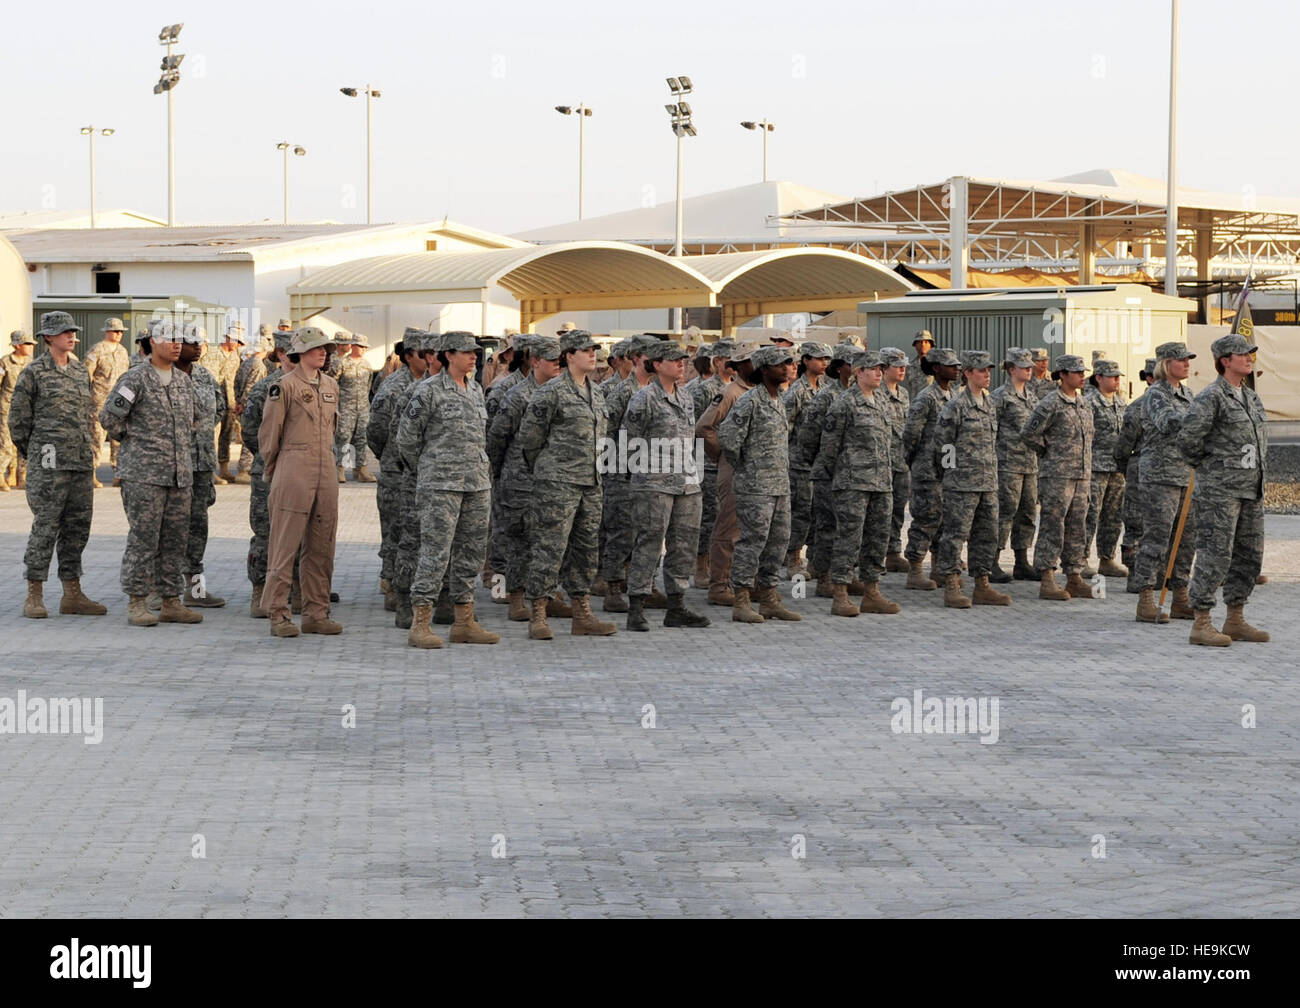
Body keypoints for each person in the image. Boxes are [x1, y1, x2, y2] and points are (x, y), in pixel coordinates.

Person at [398, 331, 498, 648]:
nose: (474, 357)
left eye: (475, 352)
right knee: (435, 554)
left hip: (476, 484)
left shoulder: (476, 390)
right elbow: (406, 439)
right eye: (466, 352)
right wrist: (430, 468)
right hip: (440, 485)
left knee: (470, 554)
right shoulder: (427, 391)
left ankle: (464, 622)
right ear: (447, 355)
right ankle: (421, 623)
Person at [516, 329, 617, 640]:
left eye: (594, 349)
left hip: (590, 482)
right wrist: (549, 470)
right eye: (585, 350)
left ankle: (582, 613)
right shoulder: (550, 393)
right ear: (568, 355)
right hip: (557, 484)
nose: (592, 354)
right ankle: (539, 614)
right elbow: (530, 440)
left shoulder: (597, 392)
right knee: (549, 549)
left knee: (587, 550)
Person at [100, 320, 201, 627]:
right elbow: (110, 418)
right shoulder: (135, 379)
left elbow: (193, 422)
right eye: (168, 339)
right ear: (151, 342)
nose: (176, 344)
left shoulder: (183, 381)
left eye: (178, 340)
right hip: (144, 476)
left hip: (179, 476)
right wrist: (137, 446)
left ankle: (171, 601)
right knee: (144, 539)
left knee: (175, 540)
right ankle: (137, 601)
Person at [8, 312, 104, 619]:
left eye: (73, 332)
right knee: (46, 527)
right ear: (48, 337)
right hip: (48, 463)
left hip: (78, 461)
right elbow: (18, 421)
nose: (71, 336)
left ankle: (72, 593)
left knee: (77, 528)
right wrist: (35, 453)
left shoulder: (79, 371)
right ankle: (34, 593)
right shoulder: (34, 372)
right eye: (65, 332)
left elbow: (87, 414)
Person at [1179, 333, 1269, 646]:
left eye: (1250, 353)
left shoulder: (1251, 396)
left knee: (1249, 556)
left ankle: (1235, 617)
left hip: (1250, 489)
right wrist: (1211, 467)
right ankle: (1201, 622)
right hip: (1220, 492)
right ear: (1224, 361)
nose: (1248, 358)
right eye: (1242, 354)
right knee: (1215, 555)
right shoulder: (1211, 397)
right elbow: (1188, 439)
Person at [259, 326, 342, 637]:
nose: (323, 352)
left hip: (325, 468)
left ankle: (316, 612)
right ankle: (279, 613)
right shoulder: (283, 387)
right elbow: (269, 435)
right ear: (299, 353)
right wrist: (274, 470)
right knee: (285, 544)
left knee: (322, 544)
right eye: (316, 348)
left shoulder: (331, 385)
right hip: (293, 465)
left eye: (326, 349)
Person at [622, 340, 709, 631]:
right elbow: (628, 442)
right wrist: (639, 479)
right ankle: (636, 606)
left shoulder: (685, 397)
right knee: (648, 544)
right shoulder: (643, 398)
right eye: (674, 360)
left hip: (685, 484)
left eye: (683, 360)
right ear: (657, 364)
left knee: (684, 544)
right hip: (653, 484)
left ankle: (676, 606)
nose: (681, 365)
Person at [717, 345, 801, 623]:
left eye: (789, 363)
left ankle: (769, 598)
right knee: (751, 543)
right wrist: (747, 466)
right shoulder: (750, 401)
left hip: (779, 486)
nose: (788, 368)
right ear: (764, 370)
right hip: (755, 487)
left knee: (778, 543)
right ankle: (741, 600)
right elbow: (728, 438)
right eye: (781, 364)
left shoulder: (780, 400)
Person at [815, 349, 900, 617]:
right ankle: (840, 592)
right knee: (848, 539)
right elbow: (829, 447)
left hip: (881, 483)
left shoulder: (882, 402)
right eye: (873, 368)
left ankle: (872, 592)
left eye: (880, 368)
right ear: (858, 372)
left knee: (877, 538)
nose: (879, 372)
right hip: (852, 484)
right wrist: (832, 479)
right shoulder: (844, 404)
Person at [487, 335, 565, 621]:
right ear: (535, 361)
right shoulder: (515, 394)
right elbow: (496, 437)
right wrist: (501, 472)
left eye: (561, 360)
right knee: (514, 541)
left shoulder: (563, 392)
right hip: (518, 479)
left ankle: (546, 594)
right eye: (552, 360)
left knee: (550, 540)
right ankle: (512, 595)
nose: (559, 365)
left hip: (553, 480)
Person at [934, 350, 1009, 608]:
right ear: (967, 373)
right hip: (962, 484)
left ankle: (982, 584)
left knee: (987, 535)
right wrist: (952, 475)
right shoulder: (956, 405)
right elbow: (943, 445)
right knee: (955, 535)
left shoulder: (989, 403)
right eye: (981, 370)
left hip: (988, 482)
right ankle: (952, 584)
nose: (987, 375)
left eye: (988, 370)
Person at [1132, 342, 1197, 623]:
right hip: (1160, 476)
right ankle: (1146, 597)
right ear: (1166, 364)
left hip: (1185, 475)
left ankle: (1181, 596)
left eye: (1188, 359)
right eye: (1181, 360)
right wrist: (1200, 419)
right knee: (1156, 539)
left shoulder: (1189, 394)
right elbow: (1168, 423)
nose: (1187, 364)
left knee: (1186, 540)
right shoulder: (1156, 395)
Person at [1020, 354, 1094, 601]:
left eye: (1083, 372)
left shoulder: (1083, 403)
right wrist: (1049, 452)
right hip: (1057, 476)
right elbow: (1029, 433)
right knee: (1053, 525)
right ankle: (1047, 577)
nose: (1082, 376)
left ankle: (1074, 576)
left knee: (1077, 527)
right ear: (1062, 374)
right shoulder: (1051, 402)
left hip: (1081, 475)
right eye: (1076, 372)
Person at [601, 334, 663, 612]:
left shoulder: (659, 390)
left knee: (648, 531)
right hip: (621, 472)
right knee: (621, 532)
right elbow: (606, 433)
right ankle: (613, 587)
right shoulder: (623, 393)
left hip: (650, 473)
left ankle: (643, 585)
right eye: (652, 357)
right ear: (637, 359)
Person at [368, 331, 427, 612]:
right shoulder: (393, 388)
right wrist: (390, 459)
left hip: (419, 473)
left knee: (415, 532)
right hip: (395, 473)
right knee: (394, 530)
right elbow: (375, 431)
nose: (428, 358)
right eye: (422, 353)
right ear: (408, 357)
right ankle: (390, 583)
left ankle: (411, 582)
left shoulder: (430, 385)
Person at [696, 340, 759, 606]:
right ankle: (719, 585)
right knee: (728, 527)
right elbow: (704, 427)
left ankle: (743, 581)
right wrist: (723, 454)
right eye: (752, 361)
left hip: (756, 471)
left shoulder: (761, 392)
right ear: (740, 366)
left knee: (752, 528)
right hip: (733, 469)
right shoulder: (731, 393)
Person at [240, 330, 295, 617]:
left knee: (301, 531)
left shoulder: (318, 384)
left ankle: (296, 589)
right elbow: (249, 430)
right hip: (268, 472)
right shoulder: (266, 388)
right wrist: (268, 456)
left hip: (300, 471)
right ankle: (260, 591)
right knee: (265, 532)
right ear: (282, 354)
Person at [797, 341, 857, 597]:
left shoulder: (857, 394)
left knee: (849, 527)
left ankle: (844, 573)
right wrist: (818, 464)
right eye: (855, 363)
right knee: (827, 526)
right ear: (842, 367)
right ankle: (824, 577)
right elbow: (808, 436)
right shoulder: (827, 397)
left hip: (852, 473)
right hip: (828, 473)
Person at [174, 324, 227, 608]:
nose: (197, 347)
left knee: (197, 529)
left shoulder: (205, 376)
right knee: (165, 529)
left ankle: (194, 590)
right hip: (168, 466)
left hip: (202, 463)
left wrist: (200, 433)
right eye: (190, 342)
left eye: (200, 343)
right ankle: (160, 589)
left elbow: (220, 409)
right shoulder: (159, 376)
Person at [902, 346, 959, 590]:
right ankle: (915, 569)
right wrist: (915, 462)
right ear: (936, 368)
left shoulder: (954, 395)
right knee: (926, 518)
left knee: (944, 519)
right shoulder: (926, 397)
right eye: (951, 365)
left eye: (957, 365)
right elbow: (910, 434)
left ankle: (937, 568)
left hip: (947, 467)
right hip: (927, 468)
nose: (956, 368)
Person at [989, 347, 1039, 582]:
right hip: (1007, 463)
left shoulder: (1032, 396)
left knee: (1027, 514)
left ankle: (1021, 561)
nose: (1029, 369)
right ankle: (992, 561)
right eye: (1024, 366)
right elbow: (990, 430)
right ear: (1011, 369)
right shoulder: (1000, 397)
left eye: (1031, 366)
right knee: (1004, 513)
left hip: (1030, 464)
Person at [782, 341, 831, 577]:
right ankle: (793, 558)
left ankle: (814, 560)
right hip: (799, 463)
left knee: (818, 513)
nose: (824, 363)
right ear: (805, 361)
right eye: (818, 358)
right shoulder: (796, 392)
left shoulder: (825, 387)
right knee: (800, 512)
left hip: (819, 463)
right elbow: (784, 428)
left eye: (826, 359)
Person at [689, 339, 732, 588]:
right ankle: (701, 566)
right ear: (717, 362)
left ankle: (724, 566)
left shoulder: (738, 389)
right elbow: (694, 428)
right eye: (730, 359)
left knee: (726, 518)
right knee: (708, 517)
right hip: (706, 462)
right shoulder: (705, 390)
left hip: (728, 463)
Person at [1114, 357, 1157, 592]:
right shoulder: (1138, 407)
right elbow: (1122, 447)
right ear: (1149, 379)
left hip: (1170, 474)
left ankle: (1163, 573)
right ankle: (1135, 573)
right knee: (1135, 522)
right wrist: (1128, 467)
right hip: (1140, 469)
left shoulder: (1184, 402)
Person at [1084, 359, 1128, 579]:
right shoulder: (1089, 402)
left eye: (1118, 377)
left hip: (1117, 469)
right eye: (1112, 377)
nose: (1117, 380)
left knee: (1113, 515)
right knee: (1090, 514)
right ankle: (1080, 558)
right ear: (1099, 378)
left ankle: (1107, 558)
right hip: (1095, 467)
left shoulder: (1120, 403)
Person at [84, 317, 131, 488]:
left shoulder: (123, 351)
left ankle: (119, 473)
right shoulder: (97, 350)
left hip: (118, 401)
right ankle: (92, 473)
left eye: (121, 332)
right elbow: (87, 374)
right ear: (107, 331)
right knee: (96, 436)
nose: (119, 334)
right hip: (99, 399)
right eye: (116, 331)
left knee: (118, 437)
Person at [876, 347, 911, 575]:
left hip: (901, 462)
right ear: (884, 368)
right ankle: (875, 555)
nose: (902, 370)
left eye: (904, 366)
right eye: (897, 366)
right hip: (880, 464)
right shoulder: (873, 393)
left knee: (897, 511)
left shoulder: (904, 394)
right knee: (879, 513)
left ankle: (893, 553)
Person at [231, 326, 274, 484]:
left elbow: (237, 383)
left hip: (243, 404)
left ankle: (244, 468)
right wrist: (244, 403)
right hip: (251, 406)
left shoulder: (246, 362)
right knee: (251, 437)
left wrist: (238, 400)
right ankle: (244, 470)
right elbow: (252, 388)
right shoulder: (258, 365)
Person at [335, 330, 377, 483]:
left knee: (362, 439)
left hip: (363, 408)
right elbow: (333, 384)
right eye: (361, 346)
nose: (364, 349)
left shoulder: (367, 365)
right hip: (346, 407)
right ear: (353, 346)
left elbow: (368, 386)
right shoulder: (342, 363)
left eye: (365, 347)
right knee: (343, 438)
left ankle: (361, 470)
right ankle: (339, 469)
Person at [0, 329, 38, 492]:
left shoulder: (33, 363)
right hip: (7, 407)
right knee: (6, 443)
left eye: (31, 344)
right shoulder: (5, 362)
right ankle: (1, 475)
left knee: (25, 443)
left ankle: (22, 477)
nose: (31, 347)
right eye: (27, 344)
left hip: (27, 409)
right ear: (17, 345)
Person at [213, 322, 245, 484]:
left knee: (226, 435)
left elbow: (236, 379)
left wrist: (237, 401)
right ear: (227, 338)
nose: (237, 345)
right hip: (215, 402)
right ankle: (211, 472)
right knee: (213, 436)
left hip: (230, 402)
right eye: (235, 341)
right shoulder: (214, 354)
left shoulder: (235, 356)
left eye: (240, 343)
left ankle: (224, 469)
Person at [903, 330, 934, 399]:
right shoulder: (909, 365)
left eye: (926, 342)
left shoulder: (937, 366)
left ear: (930, 345)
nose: (923, 344)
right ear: (915, 345)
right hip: (915, 405)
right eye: (919, 342)